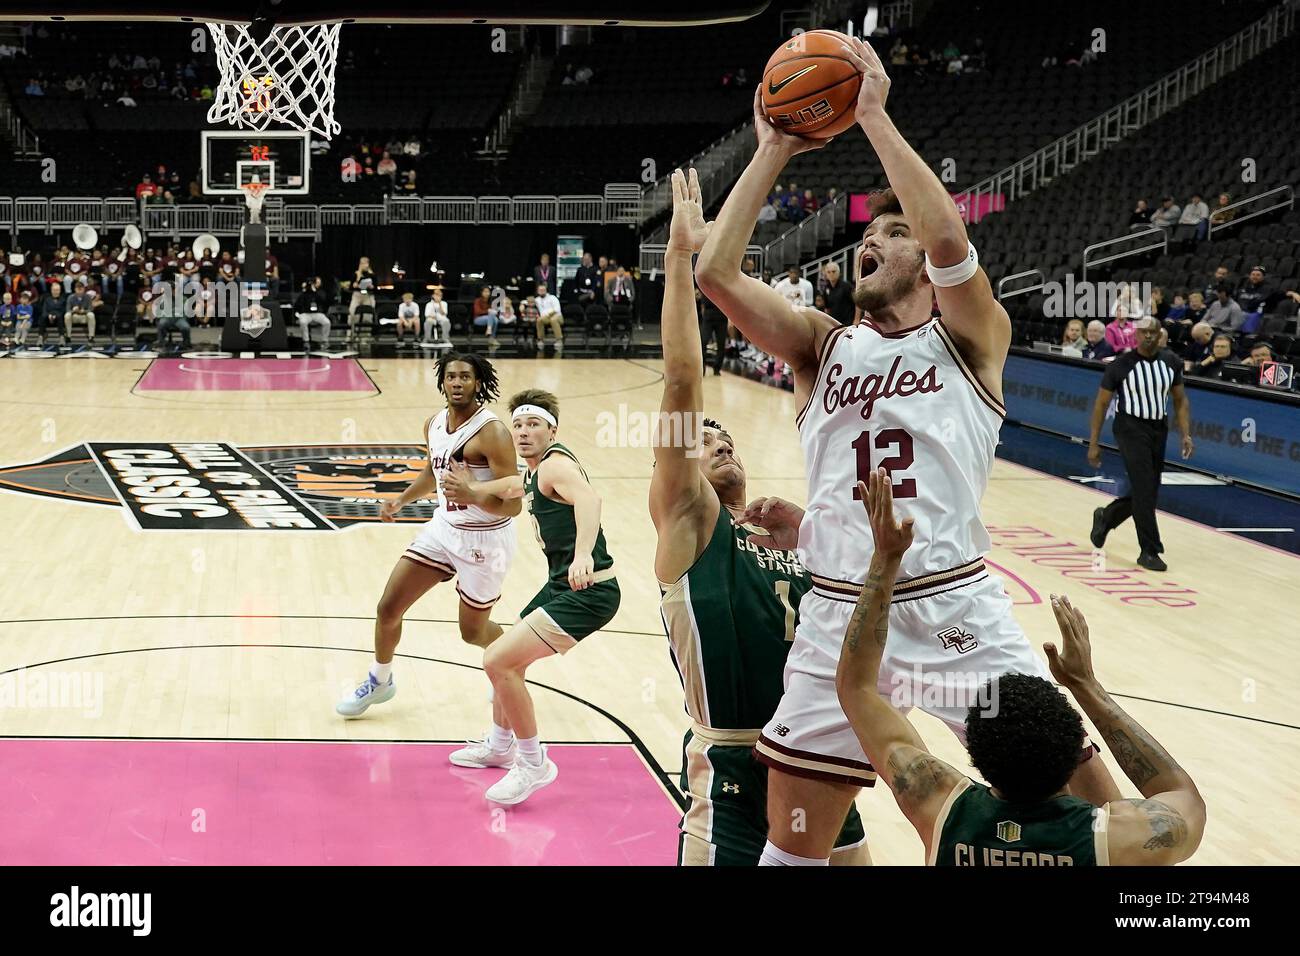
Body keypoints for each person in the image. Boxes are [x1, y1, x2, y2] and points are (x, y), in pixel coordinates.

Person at [693, 38, 1117, 866]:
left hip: (957, 610)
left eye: (893, 233)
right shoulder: (822, 346)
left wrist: (874, 116)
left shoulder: (971, 338)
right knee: (795, 834)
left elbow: (952, 243)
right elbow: (716, 272)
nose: (870, 243)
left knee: (1084, 816)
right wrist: (773, 145)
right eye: (866, 234)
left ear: (924, 258)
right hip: (842, 613)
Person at [651, 167, 866, 864]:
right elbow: (684, 380)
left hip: (821, 760)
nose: (721, 445)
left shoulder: (791, 539)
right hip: (738, 774)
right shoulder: (689, 525)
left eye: (729, 439)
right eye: (706, 443)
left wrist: (813, 533)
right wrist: (681, 259)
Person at [836, 470, 1206, 866]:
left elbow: (856, 686)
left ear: (975, 753)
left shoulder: (940, 805)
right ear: (1073, 753)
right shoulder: (1114, 838)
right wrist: (1086, 687)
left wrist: (887, 560)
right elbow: (1182, 794)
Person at [441, 390, 620, 805]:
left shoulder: (556, 465)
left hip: (589, 591)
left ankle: (532, 762)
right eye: (518, 425)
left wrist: (581, 557)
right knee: (506, 654)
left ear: (552, 430)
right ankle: (500, 745)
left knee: (497, 660)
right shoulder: (534, 471)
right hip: (564, 587)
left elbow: (590, 501)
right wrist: (470, 484)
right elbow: (511, 484)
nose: (523, 432)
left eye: (533, 424)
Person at [336, 353, 522, 730]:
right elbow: (431, 472)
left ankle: (509, 660)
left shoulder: (492, 432)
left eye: (465, 377)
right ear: (442, 381)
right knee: (388, 607)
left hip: (486, 541)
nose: (457, 383)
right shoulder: (434, 424)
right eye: (451, 376)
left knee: (471, 633)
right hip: (444, 530)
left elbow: (515, 502)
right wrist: (402, 500)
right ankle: (380, 680)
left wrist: (473, 495)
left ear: (478, 382)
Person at [1088, 317, 1194, 572]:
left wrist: (1186, 434)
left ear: (1160, 335)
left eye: (1153, 332)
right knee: (1145, 487)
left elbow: (1180, 400)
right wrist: (1094, 443)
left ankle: (1107, 516)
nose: (1148, 336)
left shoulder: (1171, 362)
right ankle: (1149, 550)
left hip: (1158, 429)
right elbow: (1101, 404)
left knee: (1148, 489)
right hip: (1129, 428)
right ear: (1135, 335)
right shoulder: (1121, 365)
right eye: (1144, 332)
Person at [294, 276, 331, 351]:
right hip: (305, 314)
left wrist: (314, 291)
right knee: (303, 322)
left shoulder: (318, 292)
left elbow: (323, 301)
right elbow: (297, 305)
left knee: (327, 322)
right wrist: (305, 290)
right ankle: (306, 341)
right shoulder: (303, 294)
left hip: (317, 313)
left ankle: (325, 341)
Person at [348, 257, 376, 341]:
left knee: (367, 317)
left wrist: (372, 286)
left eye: (365, 263)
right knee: (353, 314)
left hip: (368, 296)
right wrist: (354, 285)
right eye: (362, 263)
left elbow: (376, 287)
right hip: (357, 295)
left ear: (368, 264)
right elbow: (350, 287)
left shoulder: (372, 275)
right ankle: (351, 336)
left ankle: (365, 337)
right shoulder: (356, 274)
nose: (364, 265)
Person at [820, 261, 855, 325]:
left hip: (848, 322)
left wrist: (856, 319)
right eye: (828, 272)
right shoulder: (826, 288)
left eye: (833, 271)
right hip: (834, 323)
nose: (831, 274)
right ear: (826, 275)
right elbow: (827, 308)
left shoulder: (847, 286)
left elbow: (857, 303)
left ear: (838, 273)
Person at [534, 283, 563, 348]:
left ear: (546, 290)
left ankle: (559, 340)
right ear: (538, 291)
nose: (541, 291)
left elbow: (557, 309)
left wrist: (547, 315)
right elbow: (526, 301)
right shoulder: (537, 300)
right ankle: (540, 340)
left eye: (543, 290)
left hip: (557, 316)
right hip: (545, 318)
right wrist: (522, 304)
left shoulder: (552, 298)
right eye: (540, 290)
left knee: (553, 320)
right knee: (539, 320)